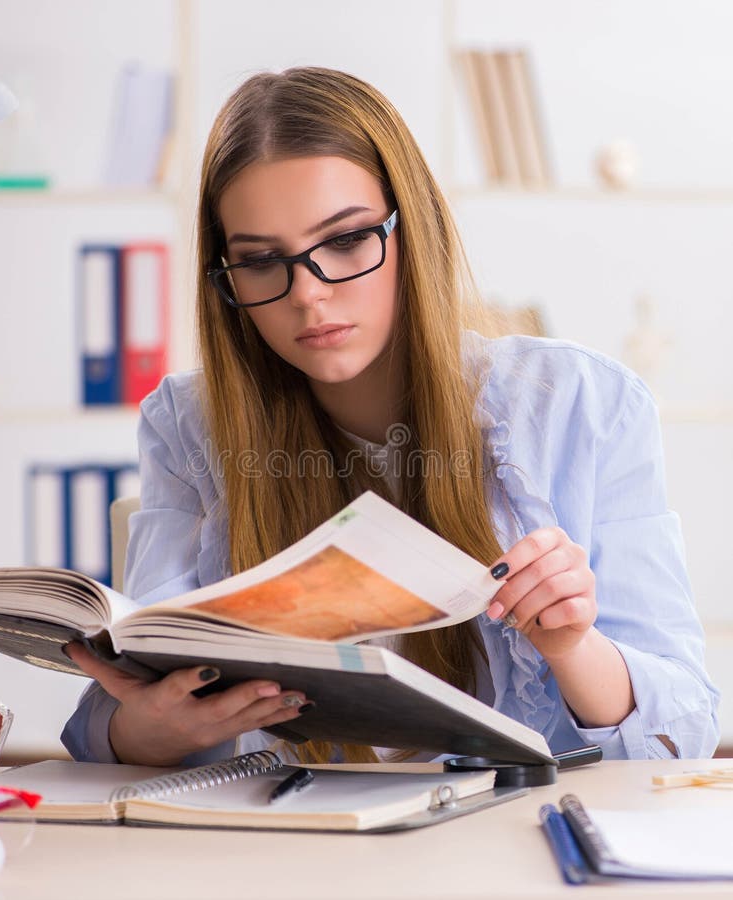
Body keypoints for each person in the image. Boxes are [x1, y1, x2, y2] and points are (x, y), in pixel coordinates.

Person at [62, 67, 719, 767]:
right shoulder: (191, 425)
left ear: (415, 228)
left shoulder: (581, 403)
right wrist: (153, 731)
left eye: (345, 241)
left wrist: (570, 645)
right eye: (260, 261)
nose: (308, 297)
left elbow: (683, 736)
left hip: (511, 854)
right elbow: (119, 716)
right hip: (296, 849)